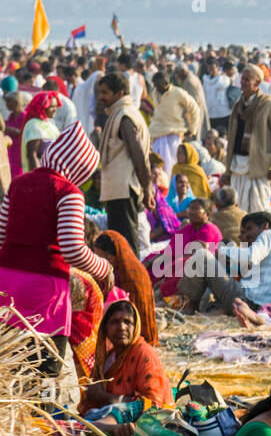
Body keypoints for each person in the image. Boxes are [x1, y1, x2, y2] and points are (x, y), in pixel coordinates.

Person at [0, 122, 112, 402]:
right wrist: (103, 268)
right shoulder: (68, 192)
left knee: (11, 361)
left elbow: (2, 233)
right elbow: (73, 249)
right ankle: (42, 418)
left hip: (7, 285)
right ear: (78, 165)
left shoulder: (18, 182)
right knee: (46, 365)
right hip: (44, 291)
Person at [77, 300, 171, 436]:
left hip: (139, 425)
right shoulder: (107, 358)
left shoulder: (144, 354)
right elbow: (91, 396)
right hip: (107, 418)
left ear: (136, 326)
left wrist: (105, 397)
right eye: (114, 322)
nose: (121, 327)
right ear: (105, 328)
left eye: (127, 322)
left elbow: (152, 404)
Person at [179, 211, 271, 315]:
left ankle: (190, 307)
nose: (246, 236)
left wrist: (223, 251)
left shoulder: (269, 234)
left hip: (249, 303)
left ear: (264, 226)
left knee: (202, 255)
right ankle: (195, 308)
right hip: (259, 305)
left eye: (249, 229)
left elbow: (251, 256)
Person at [96, 72, 154, 254]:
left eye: (105, 93)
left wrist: (147, 189)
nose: (101, 97)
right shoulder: (119, 114)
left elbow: (139, 157)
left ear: (120, 93)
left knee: (126, 245)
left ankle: (133, 282)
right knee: (118, 245)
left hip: (124, 190)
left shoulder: (125, 117)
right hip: (117, 190)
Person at [224, 66, 271, 214]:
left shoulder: (269, 105)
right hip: (237, 165)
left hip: (259, 167)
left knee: (259, 211)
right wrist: (227, 170)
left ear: (258, 82)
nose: (243, 82)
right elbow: (232, 138)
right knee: (238, 210)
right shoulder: (237, 106)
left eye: (247, 79)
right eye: (242, 79)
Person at [90, 230, 158, 345]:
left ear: (114, 257)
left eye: (102, 258)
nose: (99, 263)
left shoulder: (133, 276)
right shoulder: (113, 271)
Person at [147, 71, 201, 181]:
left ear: (166, 84)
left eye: (159, 86)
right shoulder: (155, 93)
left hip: (173, 135)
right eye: (155, 86)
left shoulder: (178, 93)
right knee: (158, 167)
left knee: (172, 167)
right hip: (156, 134)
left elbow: (194, 108)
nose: (157, 88)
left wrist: (192, 129)